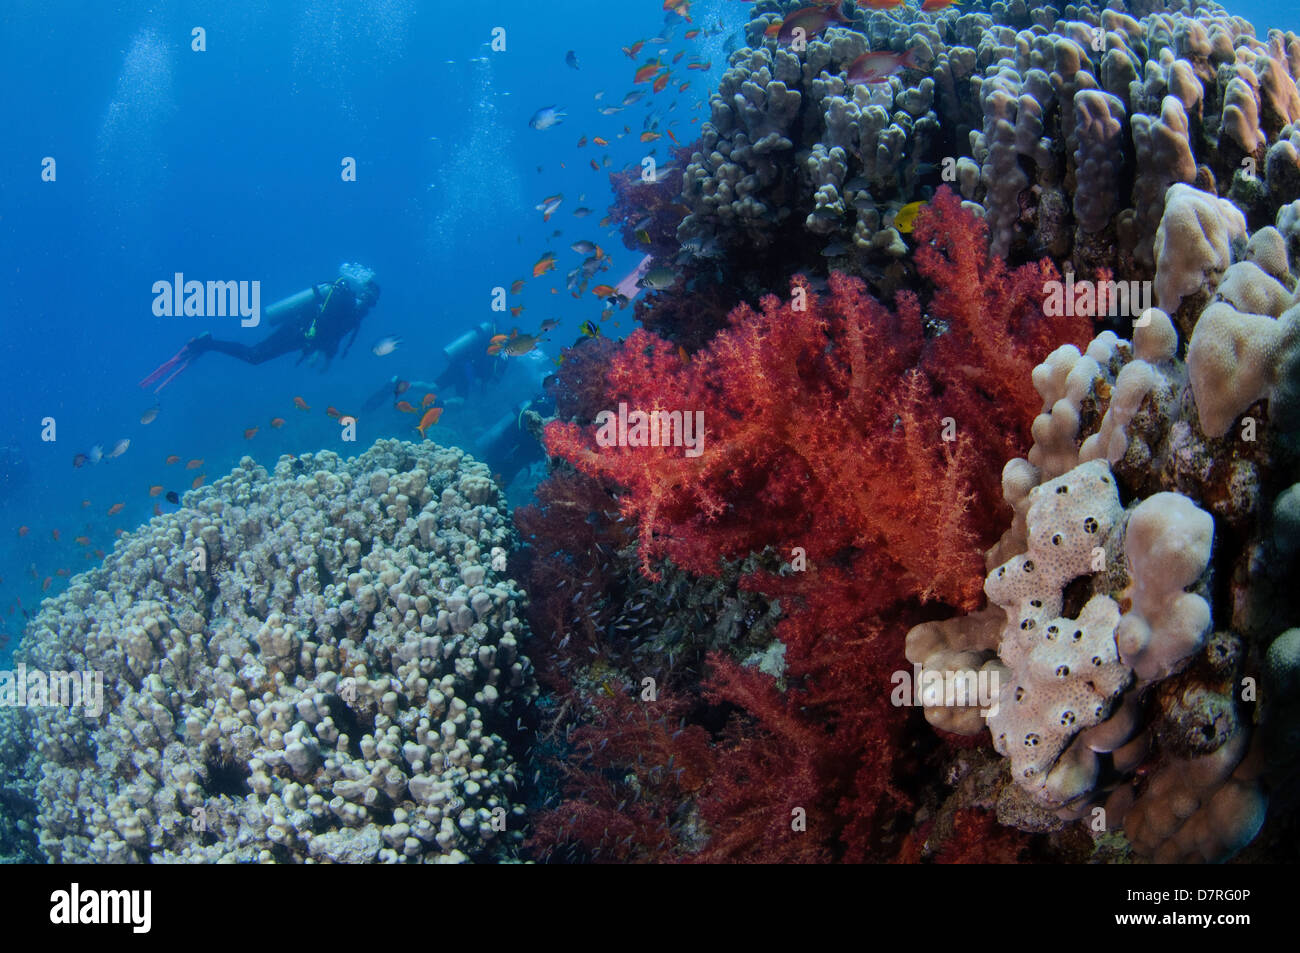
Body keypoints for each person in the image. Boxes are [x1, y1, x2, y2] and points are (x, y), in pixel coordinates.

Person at [140, 262, 380, 391]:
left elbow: (333, 334)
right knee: (254, 356)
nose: (370, 304)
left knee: (255, 356)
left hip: (300, 336)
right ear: (363, 292)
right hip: (296, 331)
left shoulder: (353, 312)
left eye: (372, 301)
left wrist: (322, 354)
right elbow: (327, 325)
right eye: (370, 298)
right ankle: (208, 342)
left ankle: (208, 343)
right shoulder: (346, 303)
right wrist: (321, 350)